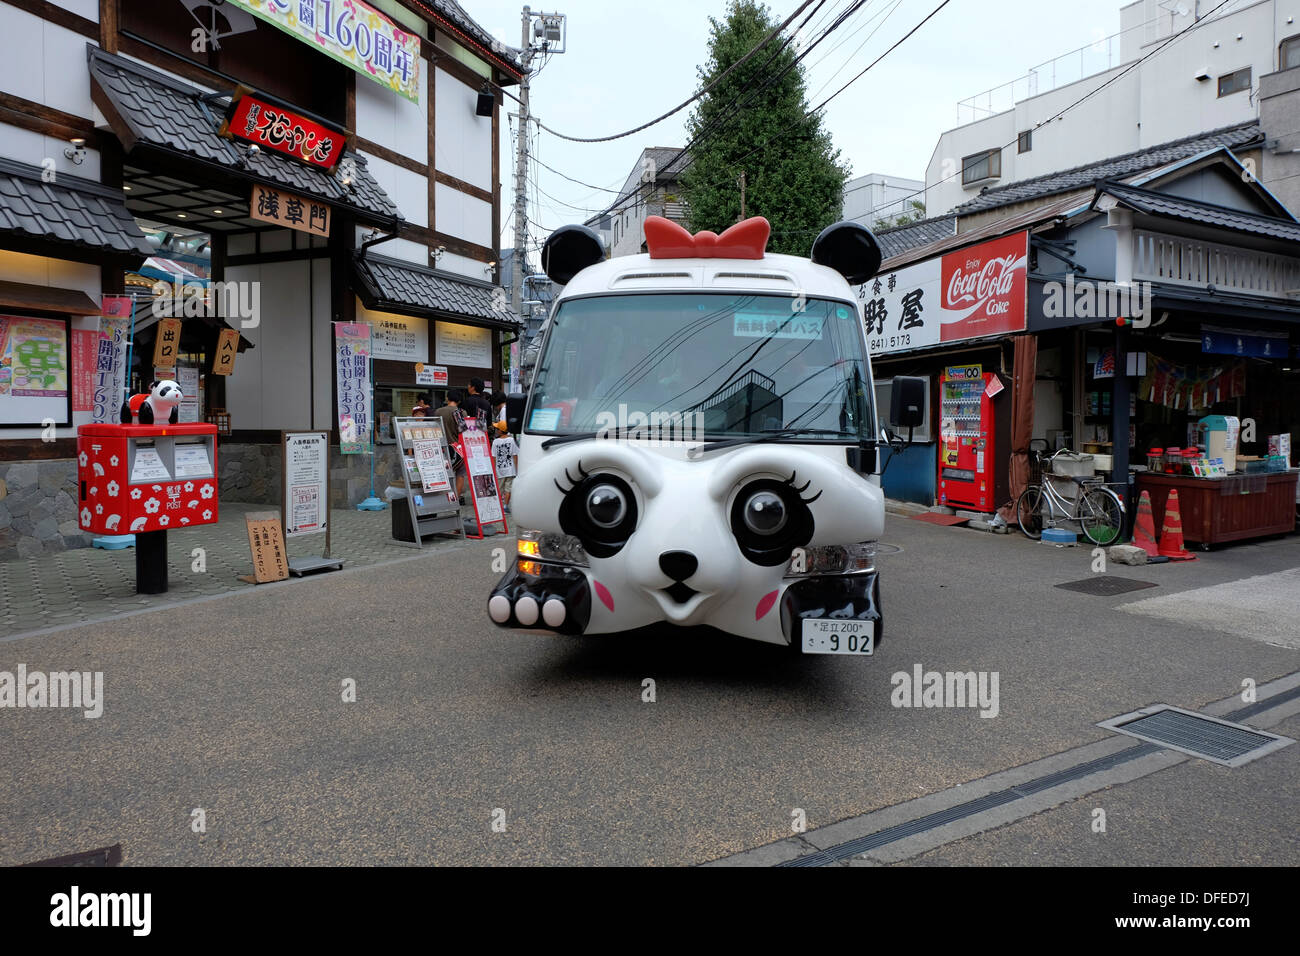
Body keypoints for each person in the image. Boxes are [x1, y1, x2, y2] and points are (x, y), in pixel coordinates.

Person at [436, 390, 466, 502]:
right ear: (459, 401)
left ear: (447, 399)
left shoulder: (438, 412)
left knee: (443, 474)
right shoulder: (462, 413)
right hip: (459, 449)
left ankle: (442, 499)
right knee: (460, 474)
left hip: (443, 448)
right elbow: (463, 431)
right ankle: (455, 499)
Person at [492, 426, 518, 514]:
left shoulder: (495, 442)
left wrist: (493, 469)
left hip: (500, 470)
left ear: (500, 431)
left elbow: (494, 457)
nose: (496, 430)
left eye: (497, 429)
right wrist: (516, 469)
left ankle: (498, 507)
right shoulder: (512, 440)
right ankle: (505, 507)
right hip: (511, 469)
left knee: (499, 489)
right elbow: (515, 455)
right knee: (508, 489)